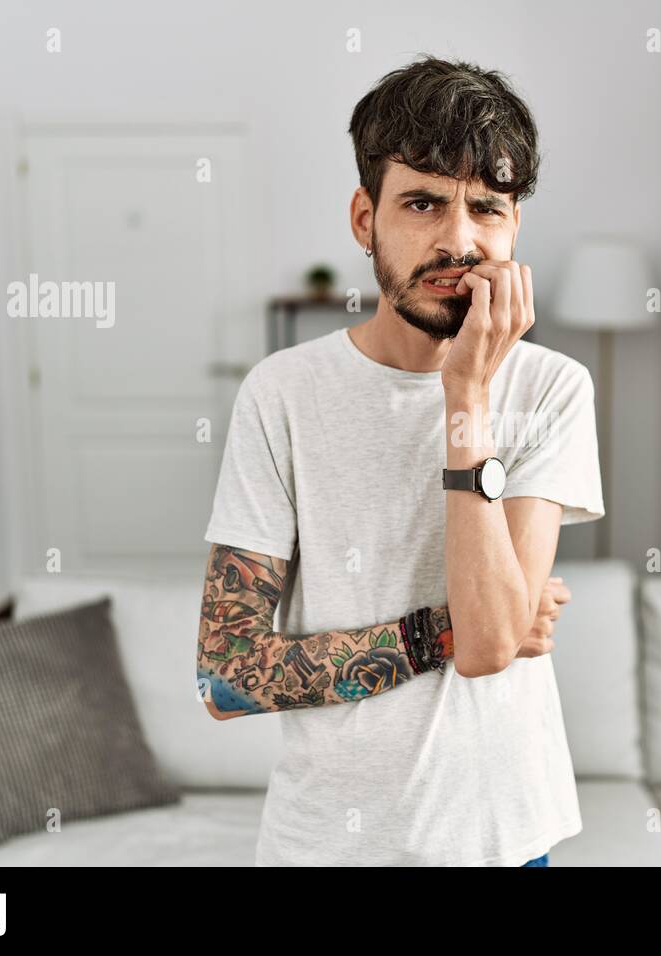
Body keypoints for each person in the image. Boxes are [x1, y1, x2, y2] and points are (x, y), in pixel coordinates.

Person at [196, 54, 604, 867]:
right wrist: (437, 630)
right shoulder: (281, 394)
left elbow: (492, 650)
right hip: (328, 846)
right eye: (422, 202)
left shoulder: (555, 389)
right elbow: (230, 676)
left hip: (502, 840)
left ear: (512, 228)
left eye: (486, 208)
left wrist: (467, 400)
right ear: (364, 218)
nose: (459, 240)